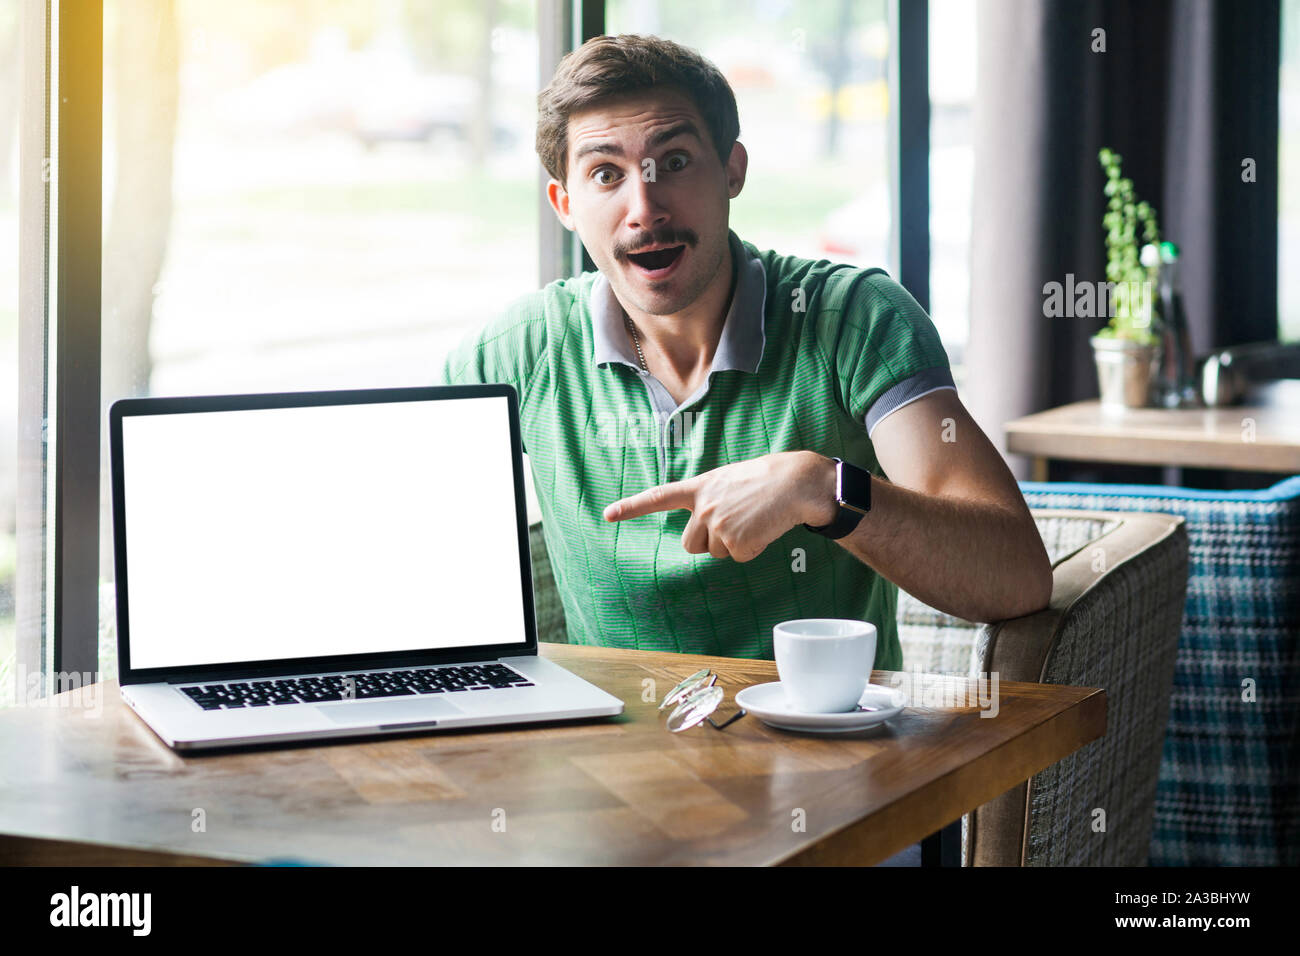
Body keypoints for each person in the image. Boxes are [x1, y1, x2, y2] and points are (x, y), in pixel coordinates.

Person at [437, 33, 1051, 669]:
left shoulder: (854, 319)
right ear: (565, 204)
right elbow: (403, 545)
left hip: (830, 751)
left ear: (732, 169)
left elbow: (1015, 576)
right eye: (605, 174)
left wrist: (822, 487)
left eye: (673, 162)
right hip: (613, 754)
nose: (644, 209)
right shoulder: (515, 353)